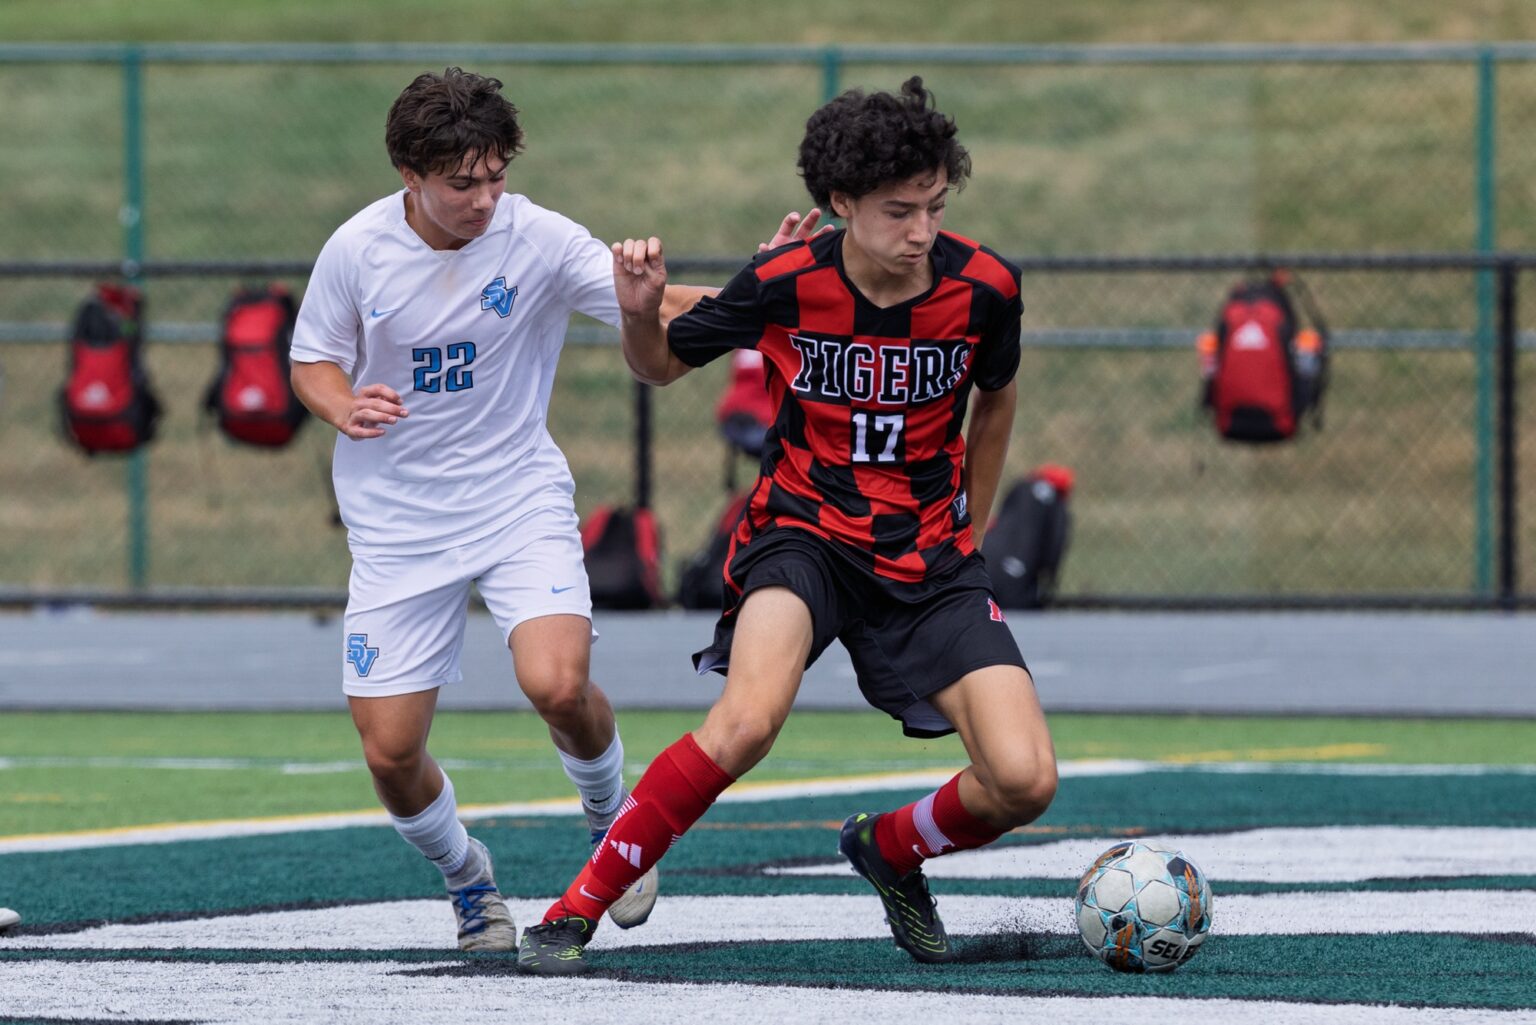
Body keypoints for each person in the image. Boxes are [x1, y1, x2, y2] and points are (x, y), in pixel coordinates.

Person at [516, 76, 1058, 975]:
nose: (922, 230)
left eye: (935, 206)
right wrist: (640, 312)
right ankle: (573, 910)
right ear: (840, 202)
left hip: (929, 555)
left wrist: (974, 525)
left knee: (1025, 779)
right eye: (898, 211)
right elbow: (658, 367)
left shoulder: (986, 287)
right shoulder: (785, 281)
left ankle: (888, 846)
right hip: (803, 535)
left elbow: (995, 401)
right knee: (747, 721)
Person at [288, 67, 809, 953]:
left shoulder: (536, 237)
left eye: (496, 177)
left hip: (516, 499)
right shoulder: (356, 249)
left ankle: (615, 823)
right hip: (399, 524)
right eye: (463, 183)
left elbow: (653, 304)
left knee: (558, 683)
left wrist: (763, 286)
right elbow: (312, 360)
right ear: (410, 174)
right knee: (390, 753)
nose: (485, 199)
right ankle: (467, 877)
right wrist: (342, 405)